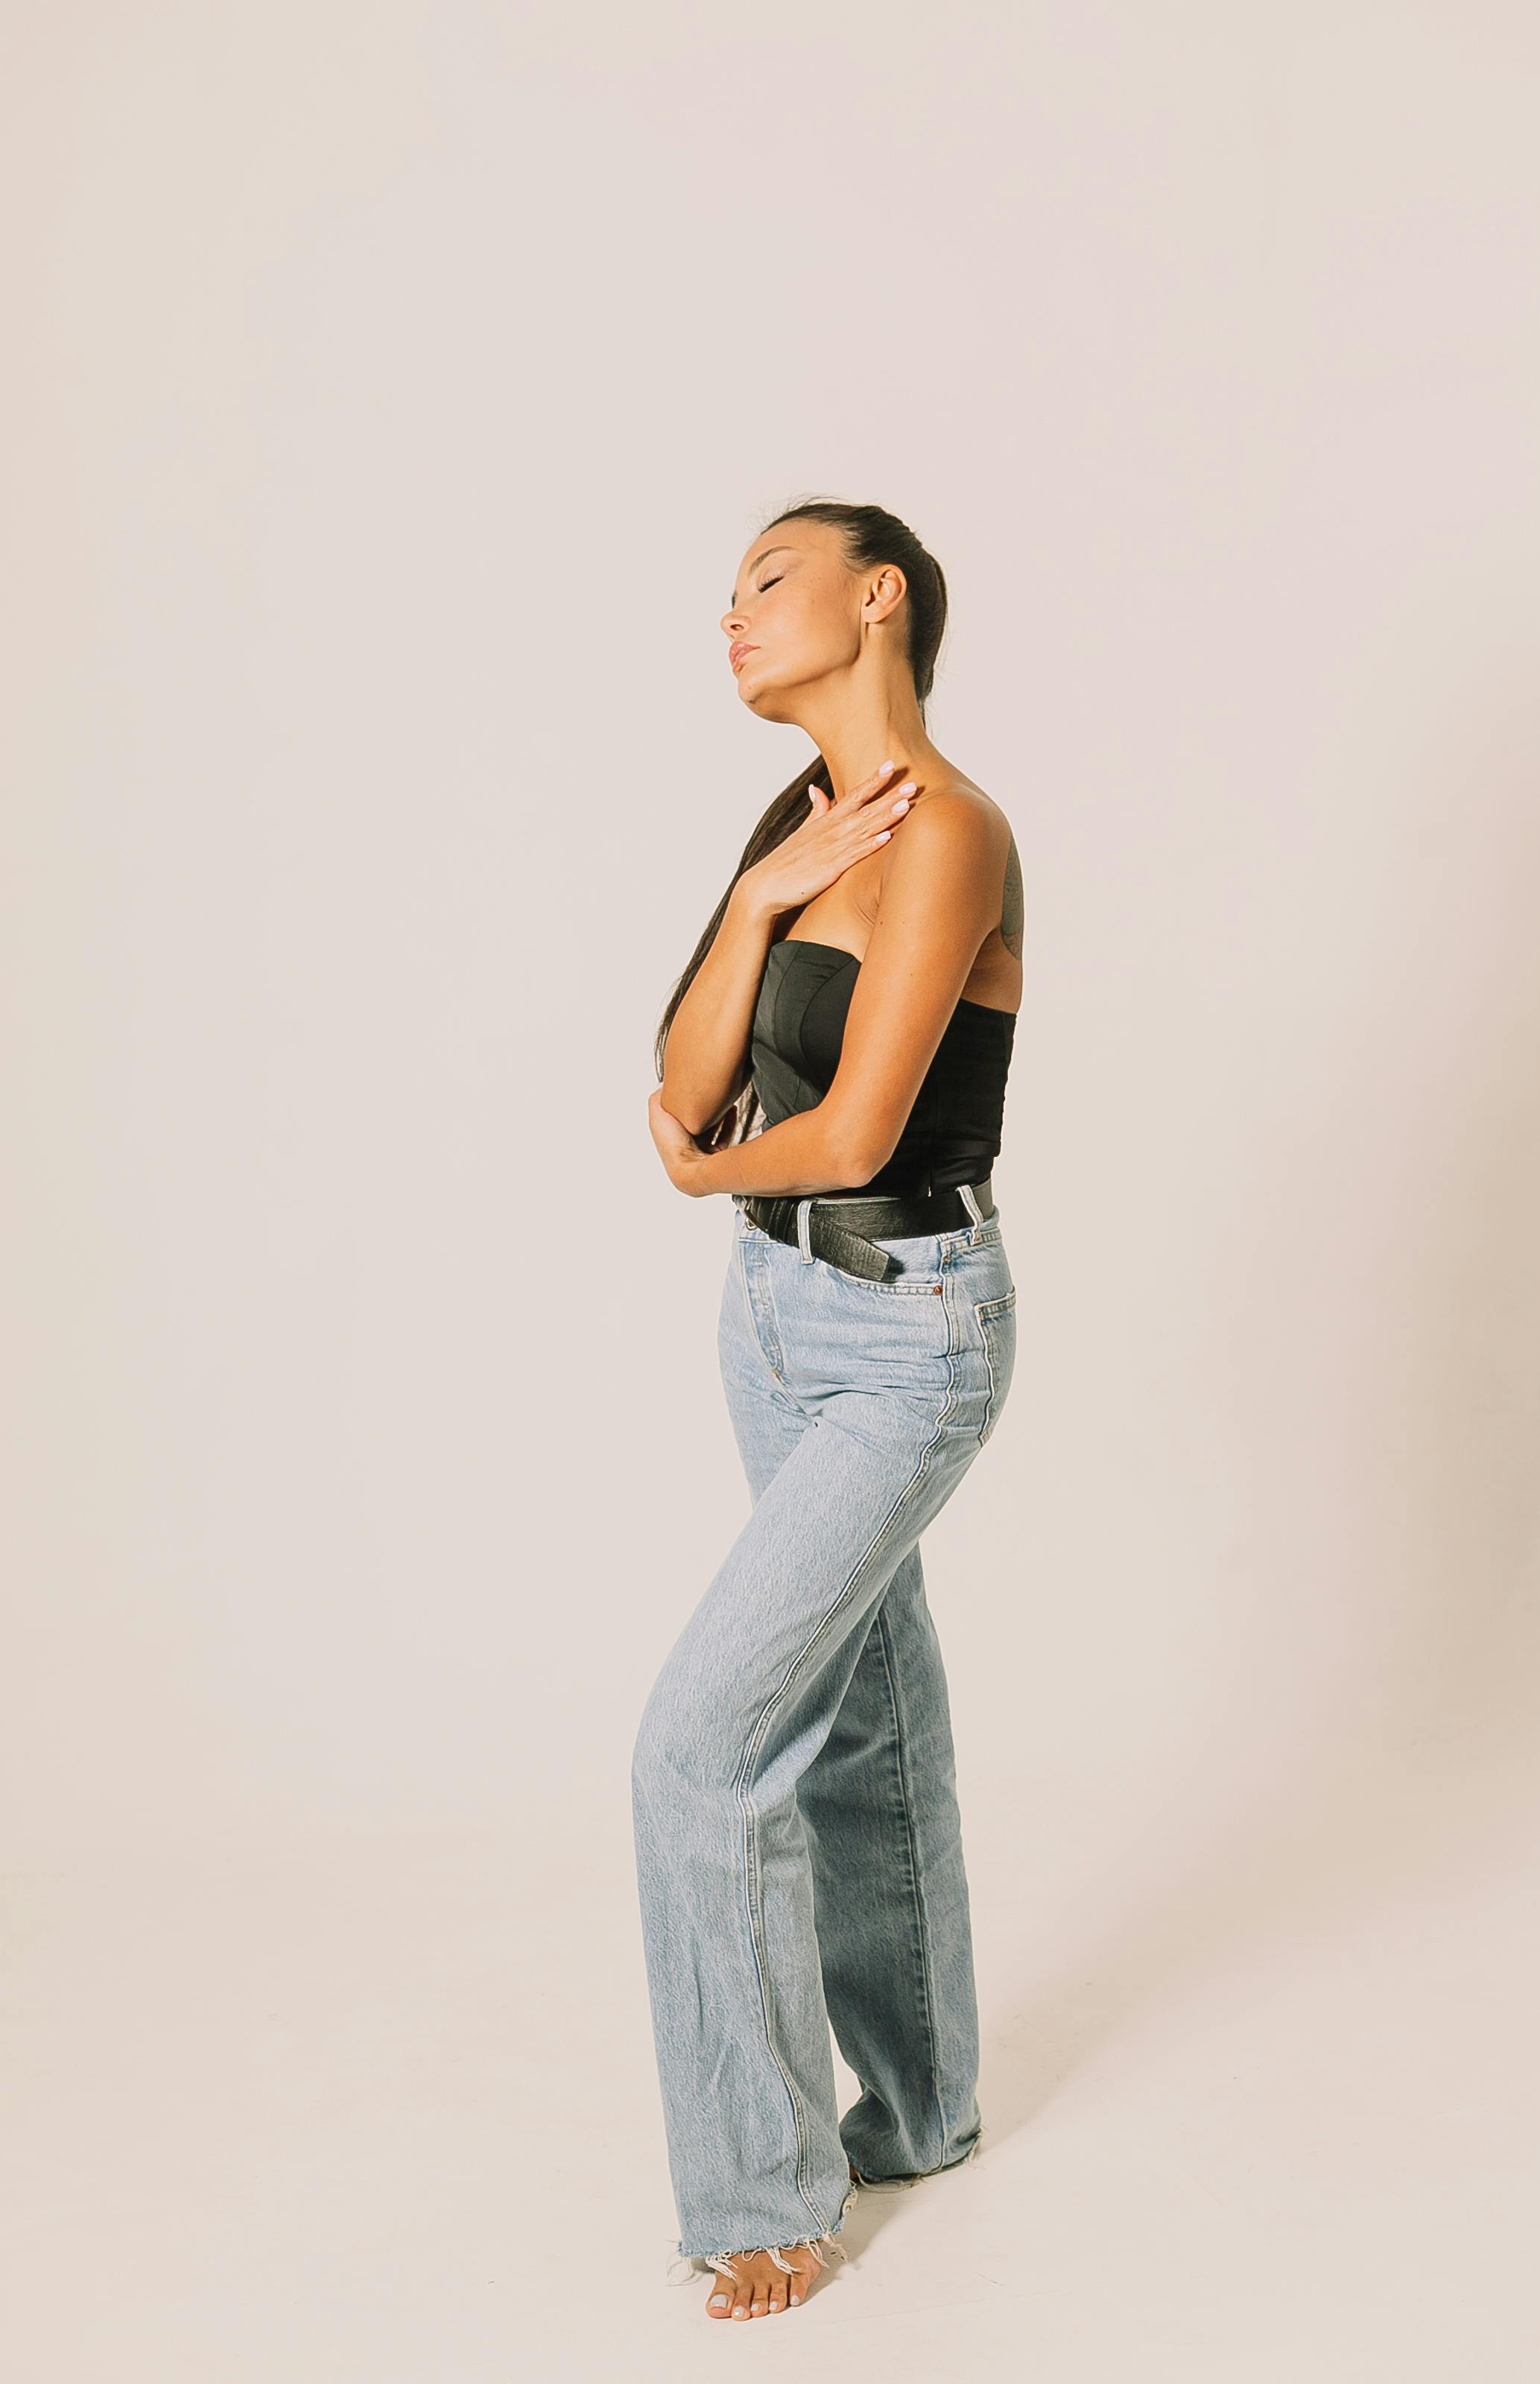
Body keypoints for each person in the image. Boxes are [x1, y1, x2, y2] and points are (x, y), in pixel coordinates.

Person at [637, 498, 1023, 2322]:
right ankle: (927, 2102)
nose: (729, 614)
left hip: (904, 1330)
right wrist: (762, 897)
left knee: (703, 1751)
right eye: (724, 595)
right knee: (861, 1713)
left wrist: (707, 1175)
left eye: (763, 580)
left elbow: (848, 1133)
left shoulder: (952, 831)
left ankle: (766, 2190)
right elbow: (682, 1070)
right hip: (774, 1325)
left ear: (877, 596)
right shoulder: (792, 832)